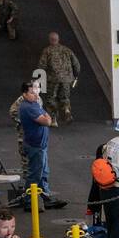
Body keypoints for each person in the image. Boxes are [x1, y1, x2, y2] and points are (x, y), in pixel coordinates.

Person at [17, 82, 65, 210]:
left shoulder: (34, 104)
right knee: (35, 175)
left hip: (39, 145)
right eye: (32, 93)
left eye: (37, 91)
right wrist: (46, 118)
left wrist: (46, 117)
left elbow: (46, 116)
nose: (36, 95)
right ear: (24, 94)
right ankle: (28, 201)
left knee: (43, 172)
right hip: (35, 146)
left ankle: (46, 197)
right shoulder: (29, 107)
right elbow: (47, 121)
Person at [38, 32, 81, 125]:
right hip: (67, 79)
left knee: (51, 98)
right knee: (65, 97)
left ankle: (53, 119)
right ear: (58, 39)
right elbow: (76, 64)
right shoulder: (67, 50)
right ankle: (66, 110)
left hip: (53, 79)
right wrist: (75, 75)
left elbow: (42, 66)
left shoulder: (47, 51)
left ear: (50, 40)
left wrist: (39, 78)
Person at [7, 80, 38, 185]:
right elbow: (13, 111)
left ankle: (35, 187)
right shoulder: (21, 100)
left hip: (36, 136)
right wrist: (23, 120)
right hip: (24, 136)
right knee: (26, 162)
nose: (36, 91)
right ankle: (28, 188)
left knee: (37, 163)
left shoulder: (38, 99)